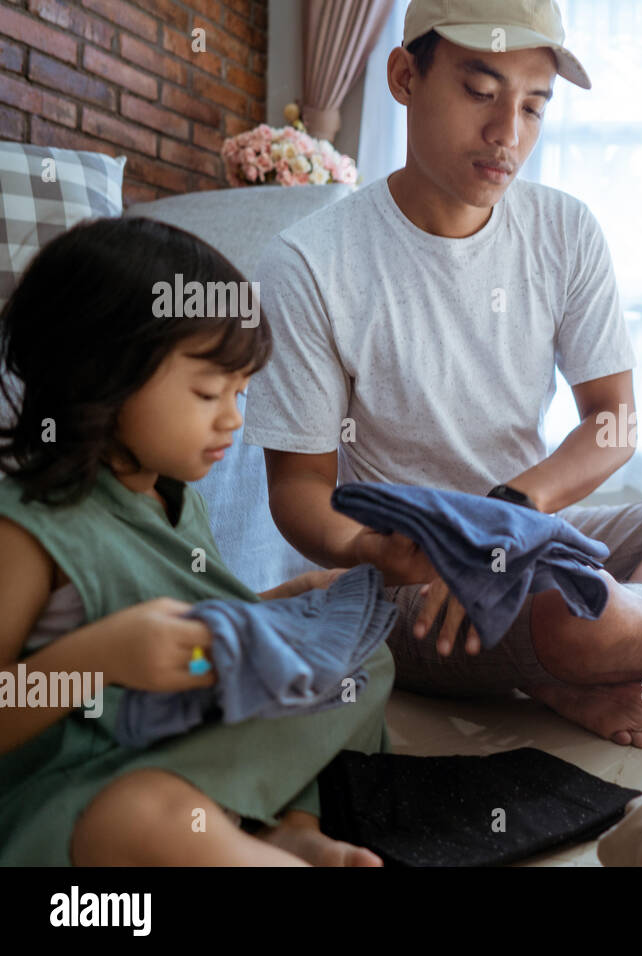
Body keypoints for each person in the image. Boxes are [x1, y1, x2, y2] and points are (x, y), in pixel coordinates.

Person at [243, 0, 642, 750]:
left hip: (531, 530)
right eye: (480, 91)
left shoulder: (564, 228)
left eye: (533, 105)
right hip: (418, 575)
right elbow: (298, 491)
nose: (507, 134)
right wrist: (378, 552)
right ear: (404, 76)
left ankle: (605, 652)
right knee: (582, 623)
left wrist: (515, 512)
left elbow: (612, 422)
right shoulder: (309, 264)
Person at [0, 217, 391, 865]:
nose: (234, 417)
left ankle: (291, 822)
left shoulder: (179, 502)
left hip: (189, 747)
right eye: (209, 391)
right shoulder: (29, 530)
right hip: (85, 791)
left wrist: (283, 604)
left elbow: (192, 629)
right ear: (102, 376)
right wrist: (96, 660)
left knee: (358, 653)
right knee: (147, 816)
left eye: (240, 391)